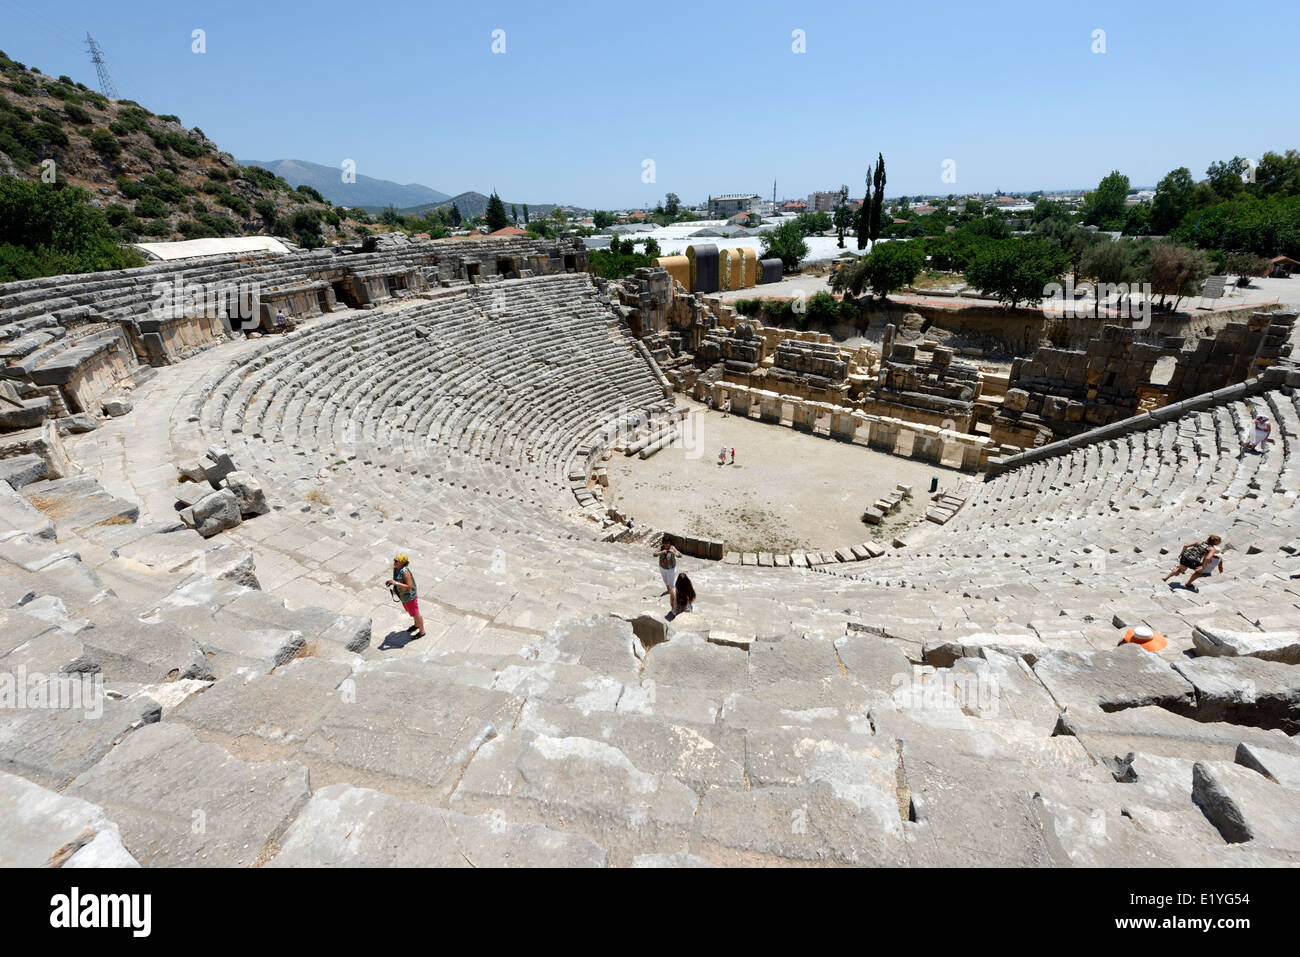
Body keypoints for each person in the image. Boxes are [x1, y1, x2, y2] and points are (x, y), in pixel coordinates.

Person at [385, 553, 426, 638]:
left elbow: (409, 586)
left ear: (402, 563)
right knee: (411, 612)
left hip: (410, 596)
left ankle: (422, 632)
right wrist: (391, 582)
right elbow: (398, 580)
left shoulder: (405, 572)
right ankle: (416, 625)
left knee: (416, 613)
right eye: (394, 560)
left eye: (396, 561)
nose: (394, 562)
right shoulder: (396, 568)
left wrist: (395, 583)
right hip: (403, 595)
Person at [658, 540, 682, 611]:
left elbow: (680, 555)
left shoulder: (672, 548)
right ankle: (669, 591)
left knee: (671, 584)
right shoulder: (661, 548)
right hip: (662, 567)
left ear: (669, 543)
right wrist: (661, 552)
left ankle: (674, 599)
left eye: (667, 543)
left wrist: (673, 553)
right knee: (666, 581)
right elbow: (654, 554)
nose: (666, 545)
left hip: (671, 569)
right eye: (665, 544)